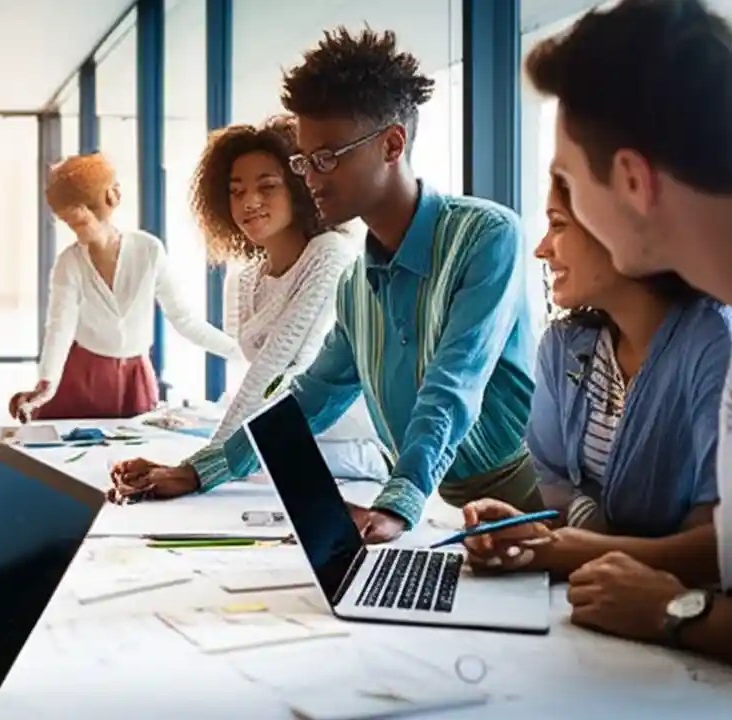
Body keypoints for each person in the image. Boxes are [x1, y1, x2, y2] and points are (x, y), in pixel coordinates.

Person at [111, 28, 539, 545]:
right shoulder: (358, 284)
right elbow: (310, 398)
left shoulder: (485, 235)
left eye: (327, 158)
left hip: (528, 498)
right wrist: (203, 470)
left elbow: (453, 386)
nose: (310, 177)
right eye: (303, 160)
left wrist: (398, 500)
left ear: (392, 143)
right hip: (446, 510)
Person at [513, 0, 732, 660]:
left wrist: (671, 609)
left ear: (632, 180)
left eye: (571, 190)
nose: (546, 242)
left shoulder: (711, 343)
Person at [460, 172, 727, 586]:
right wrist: (536, 535)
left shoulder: (714, 345)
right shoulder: (564, 345)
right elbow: (551, 481)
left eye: (558, 224)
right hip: (600, 593)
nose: (541, 249)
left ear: (617, 228)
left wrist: (564, 548)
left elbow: (717, 547)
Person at [111, 116, 387, 495]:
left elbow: (279, 374)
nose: (249, 202)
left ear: (299, 187)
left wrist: (196, 470)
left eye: (267, 187)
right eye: (236, 191)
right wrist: (197, 464)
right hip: (283, 434)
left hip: (347, 443)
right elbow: (253, 375)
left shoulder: (330, 254)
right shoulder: (242, 278)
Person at [9, 152, 240, 420]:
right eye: (69, 224)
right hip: (83, 373)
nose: (78, 232)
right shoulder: (69, 262)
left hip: (135, 377)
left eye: (81, 221)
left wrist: (239, 352)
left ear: (108, 201)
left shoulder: (148, 250)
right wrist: (46, 382)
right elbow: (60, 327)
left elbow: (183, 319)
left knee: (132, 450)